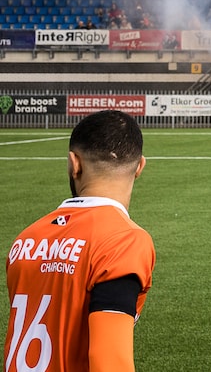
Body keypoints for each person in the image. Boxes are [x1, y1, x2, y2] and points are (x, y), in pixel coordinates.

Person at [4, 110, 156, 372]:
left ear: (74, 163)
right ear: (140, 167)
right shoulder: (123, 241)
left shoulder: (26, 239)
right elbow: (111, 363)